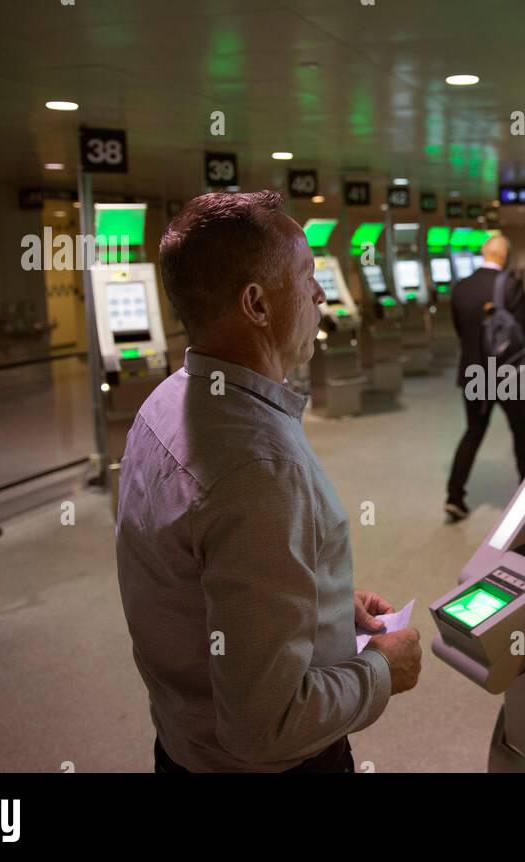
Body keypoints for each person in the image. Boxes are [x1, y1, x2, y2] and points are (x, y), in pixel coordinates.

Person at [115, 190, 421, 773]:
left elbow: (196, 579)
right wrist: (384, 669)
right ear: (256, 303)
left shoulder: (163, 405)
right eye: (307, 277)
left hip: (181, 748)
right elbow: (265, 727)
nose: (321, 293)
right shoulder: (258, 467)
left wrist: (320, 602)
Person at [445, 234, 525, 522]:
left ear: (484, 252)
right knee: (521, 431)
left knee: (473, 431)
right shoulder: (511, 285)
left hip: (474, 372)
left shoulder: (461, 287)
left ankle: (454, 496)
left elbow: (461, 332)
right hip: (508, 373)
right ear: (504, 256)